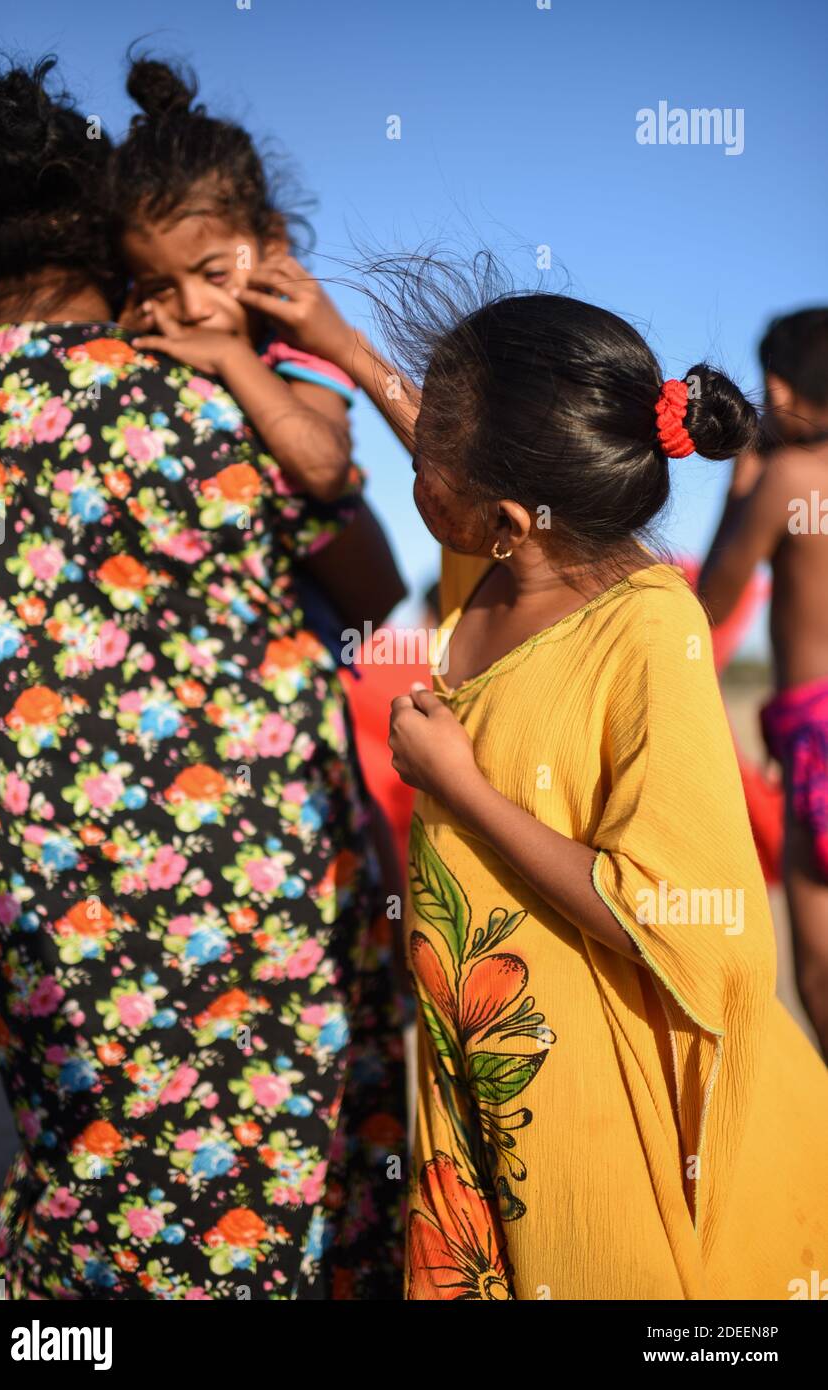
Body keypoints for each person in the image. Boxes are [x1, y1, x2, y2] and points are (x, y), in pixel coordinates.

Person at [234, 254, 828, 1299]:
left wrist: (460, 788)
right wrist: (342, 345)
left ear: (507, 517)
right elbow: (440, 431)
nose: (412, 465)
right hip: (481, 1082)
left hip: (595, 1106)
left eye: (426, 466)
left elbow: (689, 919)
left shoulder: (648, 631)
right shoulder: (502, 572)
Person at [0, 55, 406, 1299]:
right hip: (278, 905)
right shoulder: (208, 395)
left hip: (44, 923)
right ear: (103, 238)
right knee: (297, 1193)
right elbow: (374, 591)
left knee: (89, 1186)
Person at [700, 308, 828, 1061]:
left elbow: (713, 600)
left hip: (816, 730)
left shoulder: (788, 478)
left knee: (816, 965)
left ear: (777, 387)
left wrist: (739, 482)